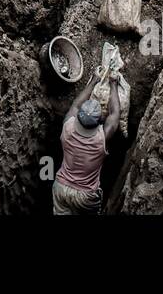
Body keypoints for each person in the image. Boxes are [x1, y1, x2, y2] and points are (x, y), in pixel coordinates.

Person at [52, 72, 121, 215]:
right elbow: (115, 114)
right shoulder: (102, 138)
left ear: (78, 118)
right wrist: (113, 84)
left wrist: (93, 81)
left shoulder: (67, 126)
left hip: (61, 187)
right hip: (86, 196)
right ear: (98, 123)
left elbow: (75, 105)